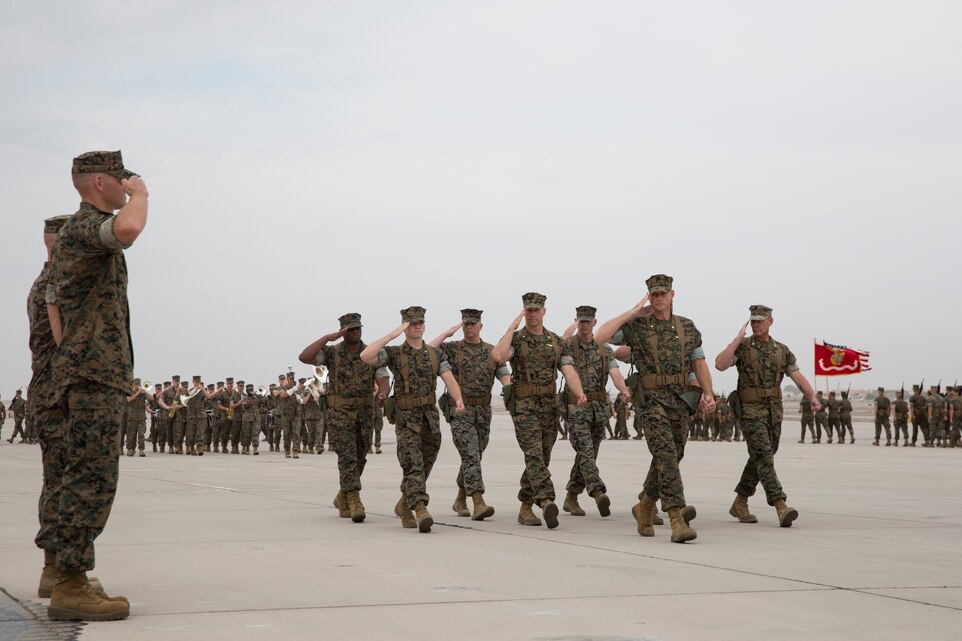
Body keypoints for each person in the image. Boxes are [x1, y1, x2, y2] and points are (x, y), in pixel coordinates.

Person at [44, 150, 147, 620]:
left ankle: (69, 574)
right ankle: (69, 585)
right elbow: (127, 229)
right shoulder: (87, 227)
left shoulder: (78, 234)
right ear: (103, 182)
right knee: (92, 479)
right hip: (93, 374)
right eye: (122, 179)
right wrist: (142, 194)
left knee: (82, 475)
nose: (127, 186)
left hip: (88, 370)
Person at [594, 276, 713, 543]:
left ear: (672, 295)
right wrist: (633, 311)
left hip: (680, 400)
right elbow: (601, 336)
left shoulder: (687, 327)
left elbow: (699, 362)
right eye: (654, 294)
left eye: (663, 293)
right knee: (666, 454)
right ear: (649, 296)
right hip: (651, 401)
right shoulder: (637, 326)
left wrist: (707, 392)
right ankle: (676, 518)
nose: (658, 298)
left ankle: (645, 505)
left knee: (673, 453)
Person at [715, 305, 820, 529]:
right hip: (750, 410)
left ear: (770, 321)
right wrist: (736, 339)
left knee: (761, 456)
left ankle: (740, 502)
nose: (756, 324)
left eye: (760, 320)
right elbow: (720, 364)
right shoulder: (742, 348)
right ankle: (780, 504)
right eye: (753, 320)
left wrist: (811, 396)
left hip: (774, 410)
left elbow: (796, 375)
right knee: (763, 455)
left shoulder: (782, 350)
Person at [361, 307, 464, 533]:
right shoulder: (395, 353)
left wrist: (458, 399)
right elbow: (366, 356)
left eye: (420, 323)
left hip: (430, 418)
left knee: (426, 463)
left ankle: (404, 504)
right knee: (413, 466)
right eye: (412, 323)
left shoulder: (435, 354)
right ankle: (420, 508)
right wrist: (391, 335)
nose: (417, 326)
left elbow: (449, 377)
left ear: (424, 325)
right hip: (406, 420)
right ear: (405, 326)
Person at [491, 293, 586, 530]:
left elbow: (568, 369)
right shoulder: (517, 339)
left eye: (537, 309)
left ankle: (525, 506)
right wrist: (512, 327)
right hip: (524, 407)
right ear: (524, 312)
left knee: (542, 457)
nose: (533, 314)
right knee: (533, 453)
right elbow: (498, 356)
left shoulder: (555, 341)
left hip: (549, 406)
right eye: (528, 310)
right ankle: (545, 500)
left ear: (544, 311)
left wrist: (579, 392)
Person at [300, 313, 390, 522]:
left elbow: (383, 376)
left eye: (358, 327)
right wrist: (326, 338)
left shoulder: (371, 353)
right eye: (351, 329)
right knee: (347, 457)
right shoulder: (332, 353)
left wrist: (384, 392)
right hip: (340, 414)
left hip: (365, 413)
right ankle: (354, 499)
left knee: (360, 457)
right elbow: (305, 357)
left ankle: (342, 496)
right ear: (342, 331)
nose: (356, 331)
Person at [429, 309, 511, 520]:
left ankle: (460, 498)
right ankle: (478, 501)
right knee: (471, 455)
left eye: (473, 324)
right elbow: (428, 351)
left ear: (481, 326)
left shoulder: (492, 351)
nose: (469, 327)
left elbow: (504, 375)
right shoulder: (452, 349)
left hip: (483, 412)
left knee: (474, 456)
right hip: (461, 411)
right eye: (466, 324)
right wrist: (447, 334)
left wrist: (510, 392)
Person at [557, 306, 630, 518]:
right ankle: (598, 492)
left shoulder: (605, 350)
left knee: (588, 455)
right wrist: (566, 332)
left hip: (598, 410)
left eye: (588, 321)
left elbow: (615, 373)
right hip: (576, 408)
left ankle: (571, 497)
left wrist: (624, 390)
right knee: (586, 451)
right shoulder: (568, 347)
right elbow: (559, 354)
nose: (585, 325)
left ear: (595, 323)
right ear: (577, 322)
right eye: (581, 321)